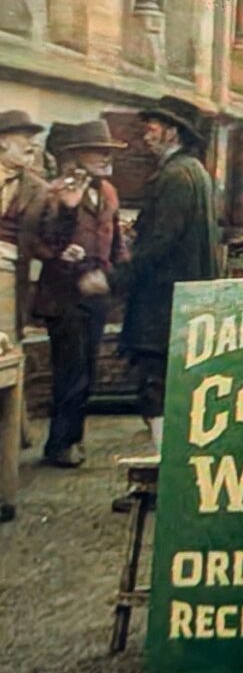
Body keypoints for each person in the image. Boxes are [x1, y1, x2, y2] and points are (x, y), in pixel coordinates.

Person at [82, 96, 218, 453]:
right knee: (176, 387)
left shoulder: (174, 176)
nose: (146, 134)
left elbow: (159, 243)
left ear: (173, 132)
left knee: (155, 386)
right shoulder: (196, 172)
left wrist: (112, 279)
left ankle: (162, 472)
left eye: (153, 126)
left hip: (164, 302)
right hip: (186, 300)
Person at [28, 120, 127, 468]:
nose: (105, 157)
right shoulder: (55, 193)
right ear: (74, 157)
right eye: (98, 151)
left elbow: (116, 243)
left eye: (108, 151)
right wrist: (63, 239)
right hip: (65, 295)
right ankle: (60, 444)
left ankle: (73, 439)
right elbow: (41, 241)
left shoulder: (110, 192)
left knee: (88, 371)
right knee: (70, 372)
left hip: (97, 296)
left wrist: (117, 277)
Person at [0, 110, 47, 347]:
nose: (33, 144)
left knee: (6, 351)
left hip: (9, 279)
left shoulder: (39, 189)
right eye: (25, 136)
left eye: (35, 138)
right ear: (3, 140)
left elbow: (45, 236)